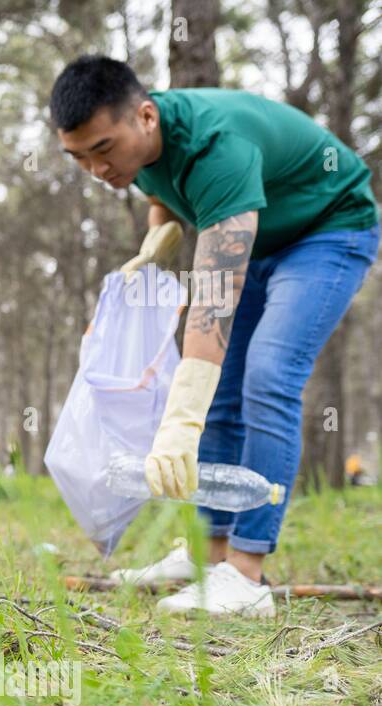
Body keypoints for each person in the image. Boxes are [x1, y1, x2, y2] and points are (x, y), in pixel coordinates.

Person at [50, 55, 379, 617]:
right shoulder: (136, 153)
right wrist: (157, 239)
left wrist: (178, 422)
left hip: (329, 229)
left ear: (145, 118)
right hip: (263, 236)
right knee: (223, 394)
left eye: (103, 150)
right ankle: (207, 554)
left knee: (268, 374)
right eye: (78, 157)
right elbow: (160, 188)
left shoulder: (216, 148)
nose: (96, 170)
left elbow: (214, 302)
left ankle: (246, 574)